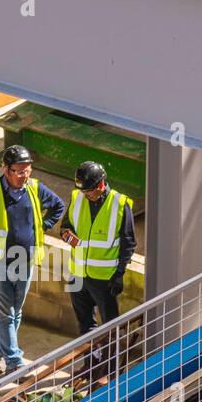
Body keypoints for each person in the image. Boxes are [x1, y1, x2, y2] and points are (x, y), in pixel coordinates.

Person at [0, 144, 65, 376]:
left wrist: (43, 225)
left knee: (16, 311)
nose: (24, 175)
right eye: (19, 170)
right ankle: (15, 362)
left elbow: (58, 206)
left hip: (26, 260)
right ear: (6, 170)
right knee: (5, 312)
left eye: (27, 169)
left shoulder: (34, 188)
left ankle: (1, 355)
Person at [61, 160, 136, 381]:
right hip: (78, 274)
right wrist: (69, 236)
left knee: (110, 327)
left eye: (90, 191)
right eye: (83, 191)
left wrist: (119, 274)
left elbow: (128, 242)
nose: (86, 196)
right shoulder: (77, 198)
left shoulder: (120, 204)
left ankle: (110, 370)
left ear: (101, 185)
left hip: (104, 279)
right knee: (85, 324)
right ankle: (91, 365)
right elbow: (65, 227)